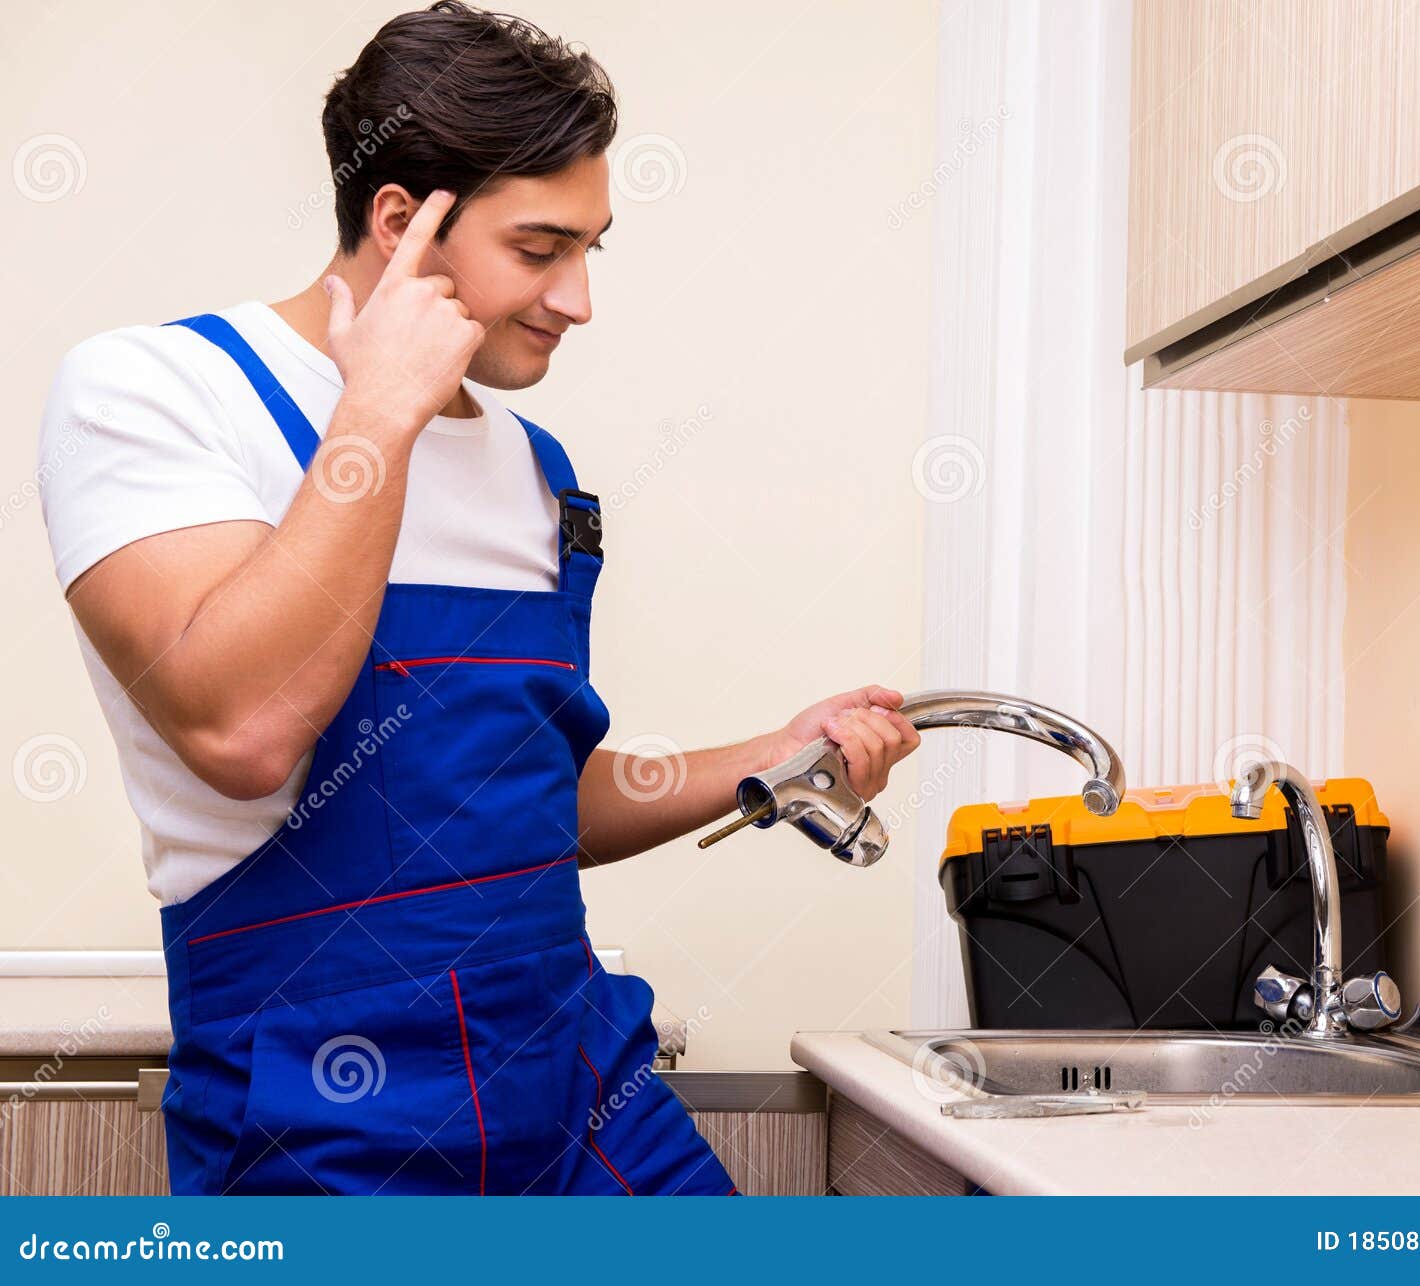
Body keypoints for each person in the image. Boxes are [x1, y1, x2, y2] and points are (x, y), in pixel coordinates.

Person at [36, 1, 919, 1196]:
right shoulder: (161, 393)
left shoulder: (537, 471)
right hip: (327, 1107)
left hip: (575, 1076)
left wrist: (775, 752)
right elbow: (241, 733)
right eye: (540, 249)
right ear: (401, 222)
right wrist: (378, 414)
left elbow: (514, 797)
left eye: (590, 250)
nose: (578, 300)